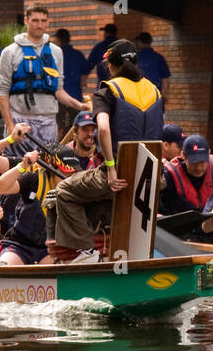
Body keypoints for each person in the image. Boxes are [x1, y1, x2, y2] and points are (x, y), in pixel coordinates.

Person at [48, 39, 164, 263]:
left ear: (111, 65)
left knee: (63, 191)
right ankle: (134, 252)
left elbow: (102, 128)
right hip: (152, 179)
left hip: (120, 175)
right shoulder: (156, 91)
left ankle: (86, 252)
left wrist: (111, 168)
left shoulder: (108, 91)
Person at [0, 5, 89, 150]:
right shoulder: (10, 52)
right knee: (16, 166)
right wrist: (9, 125)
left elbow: (58, 91)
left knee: (46, 168)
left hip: (48, 122)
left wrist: (79, 105)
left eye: (43, 21)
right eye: (35, 20)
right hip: (20, 120)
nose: (39, 25)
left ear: (48, 22)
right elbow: (2, 92)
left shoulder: (56, 52)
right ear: (26, 20)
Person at [0, 145, 80, 265]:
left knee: (57, 270)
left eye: (73, 174)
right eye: (66, 174)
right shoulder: (34, 180)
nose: (69, 180)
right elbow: (0, 188)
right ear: (52, 168)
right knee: (6, 267)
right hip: (19, 245)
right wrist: (22, 166)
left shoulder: (78, 188)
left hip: (49, 250)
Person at [161, 134, 213, 243]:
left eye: (202, 162)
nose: (199, 168)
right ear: (183, 156)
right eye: (194, 162)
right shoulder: (169, 176)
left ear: (209, 153)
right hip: (181, 235)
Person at [53, 28, 88, 137]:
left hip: (59, 96)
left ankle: (58, 149)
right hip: (75, 95)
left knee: (59, 125)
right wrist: (81, 85)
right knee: (76, 125)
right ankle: (73, 147)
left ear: (58, 39)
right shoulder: (78, 54)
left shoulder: (55, 55)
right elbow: (85, 71)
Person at [134, 32, 172, 103]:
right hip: (155, 96)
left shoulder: (134, 58)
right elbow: (165, 79)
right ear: (150, 42)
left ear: (139, 42)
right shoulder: (159, 58)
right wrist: (165, 94)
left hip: (138, 97)